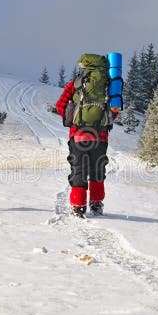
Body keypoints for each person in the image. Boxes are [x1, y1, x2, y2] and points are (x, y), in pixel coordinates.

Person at [55, 54, 118, 217]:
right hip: (100, 137)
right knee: (97, 169)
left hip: (78, 135)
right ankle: (96, 205)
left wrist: (72, 120)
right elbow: (114, 111)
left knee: (79, 170)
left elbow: (60, 105)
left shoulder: (75, 84)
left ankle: (78, 206)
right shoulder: (108, 84)